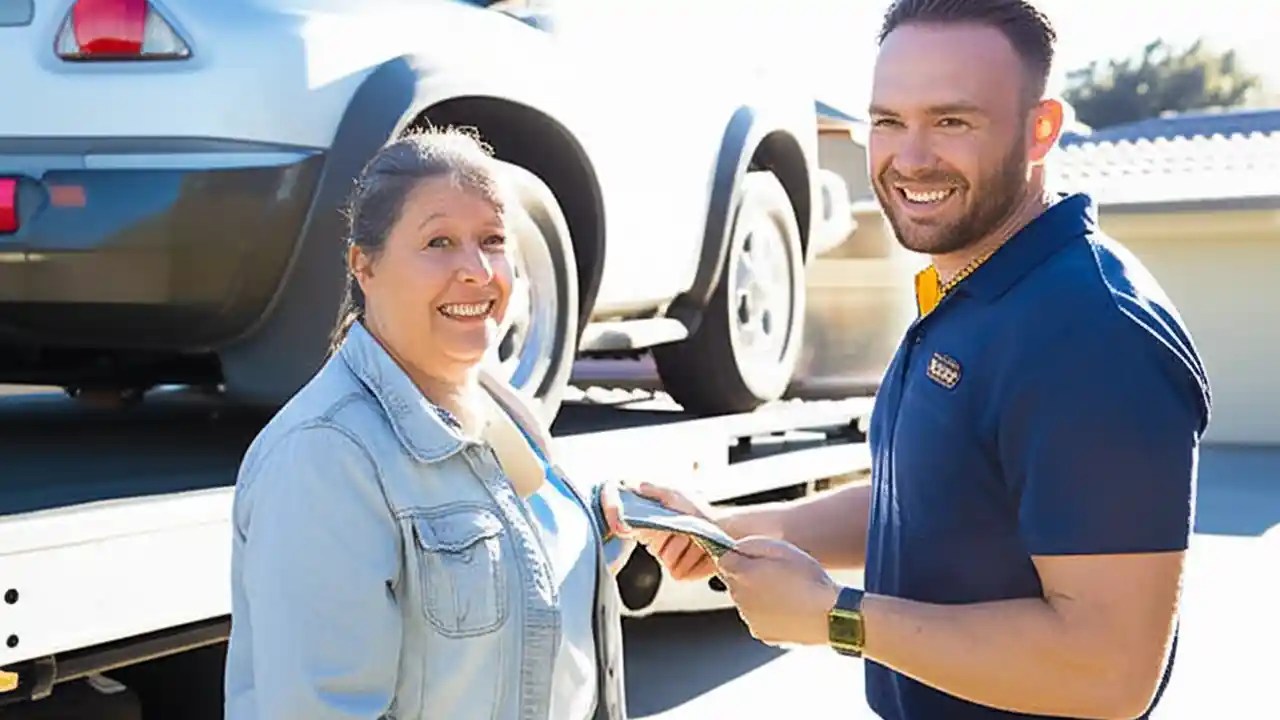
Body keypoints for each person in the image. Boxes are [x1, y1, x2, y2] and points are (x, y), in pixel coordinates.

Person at [620, 1, 1212, 719]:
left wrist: (836, 618)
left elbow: (1110, 671)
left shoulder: (1091, 331)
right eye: (888, 121)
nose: (911, 157)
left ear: (1041, 129)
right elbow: (930, 499)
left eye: (952, 121)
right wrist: (729, 529)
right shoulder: (976, 287)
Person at [223, 128, 635, 720]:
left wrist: (598, 526)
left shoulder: (509, 416)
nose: (475, 270)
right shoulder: (324, 459)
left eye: (492, 241)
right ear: (363, 266)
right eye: (439, 242)